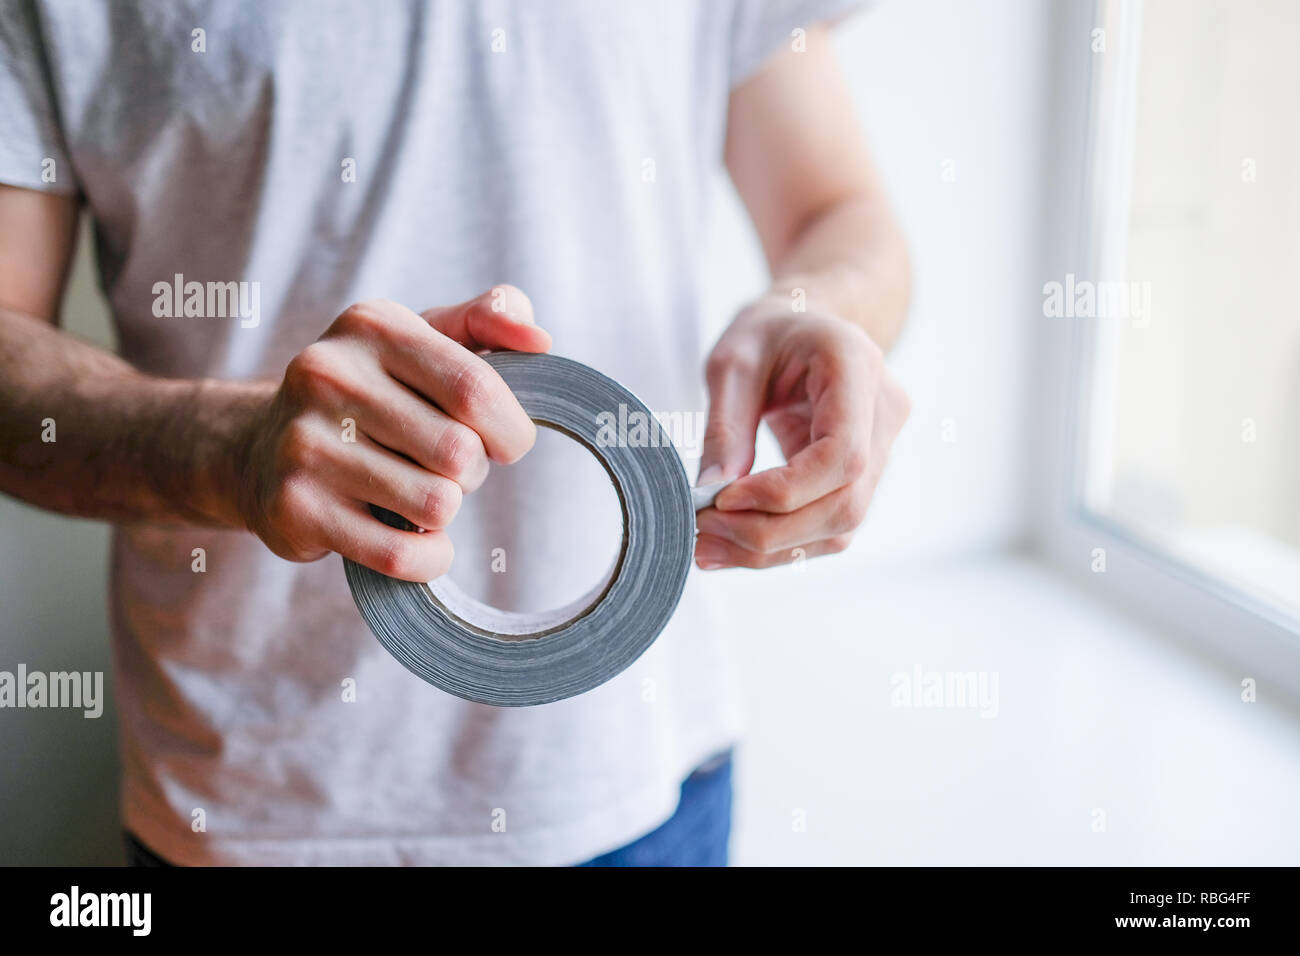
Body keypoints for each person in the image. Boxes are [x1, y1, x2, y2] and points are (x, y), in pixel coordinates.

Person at [0, 0, 910, 866]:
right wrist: (230, 449)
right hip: (255, 807)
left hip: (646, 773)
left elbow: (839, 213)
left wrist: (819, 309)